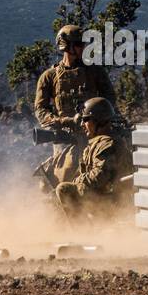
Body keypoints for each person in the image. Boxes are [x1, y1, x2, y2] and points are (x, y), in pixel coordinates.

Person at [34, 24, 116, 186]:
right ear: (65, 46)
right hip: (66, 137)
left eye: (83, 44)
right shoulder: (49, 77)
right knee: (66, 175)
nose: (82, 48)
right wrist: (63, 121)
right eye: (78, 44)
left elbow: (110, 99)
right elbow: (40, 110)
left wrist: (96, 118)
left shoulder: (95, 71)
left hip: (95, 134)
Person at [54, 97, 134, 218]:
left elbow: (100, 175)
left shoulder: (107, 144)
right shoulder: (98, 142)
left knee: (64, 190)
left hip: (114, 201)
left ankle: (83, 233)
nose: (82, 124)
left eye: (86, 119)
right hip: (104, 196)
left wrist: (77, 182)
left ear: (99, 121)